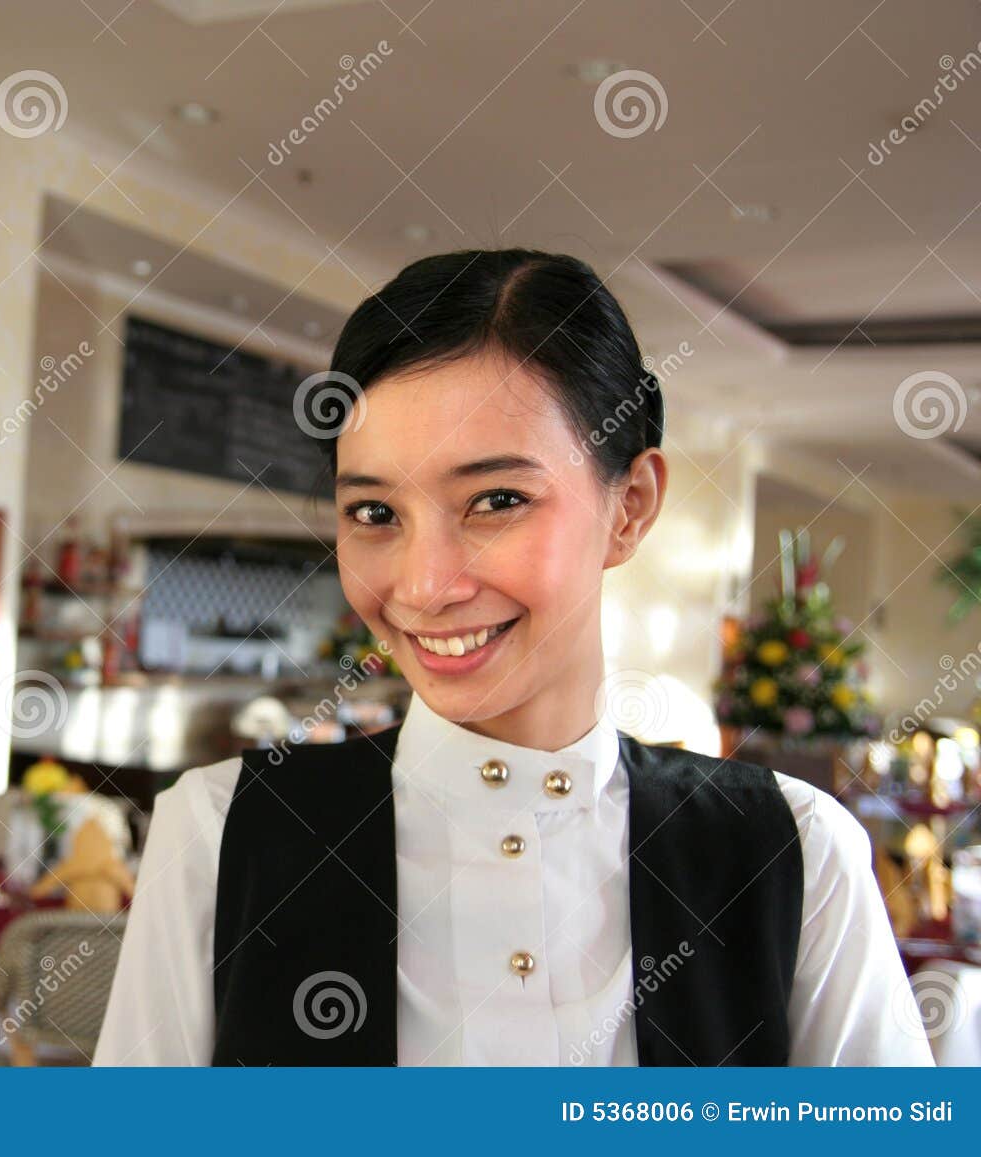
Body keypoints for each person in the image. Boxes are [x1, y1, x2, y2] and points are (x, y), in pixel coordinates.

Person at [92, 248, 933, 1067]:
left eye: (497, 500)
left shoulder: (795, 850)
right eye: (375, 512)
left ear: (630, 506)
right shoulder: (219, 832)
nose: (425, 585)